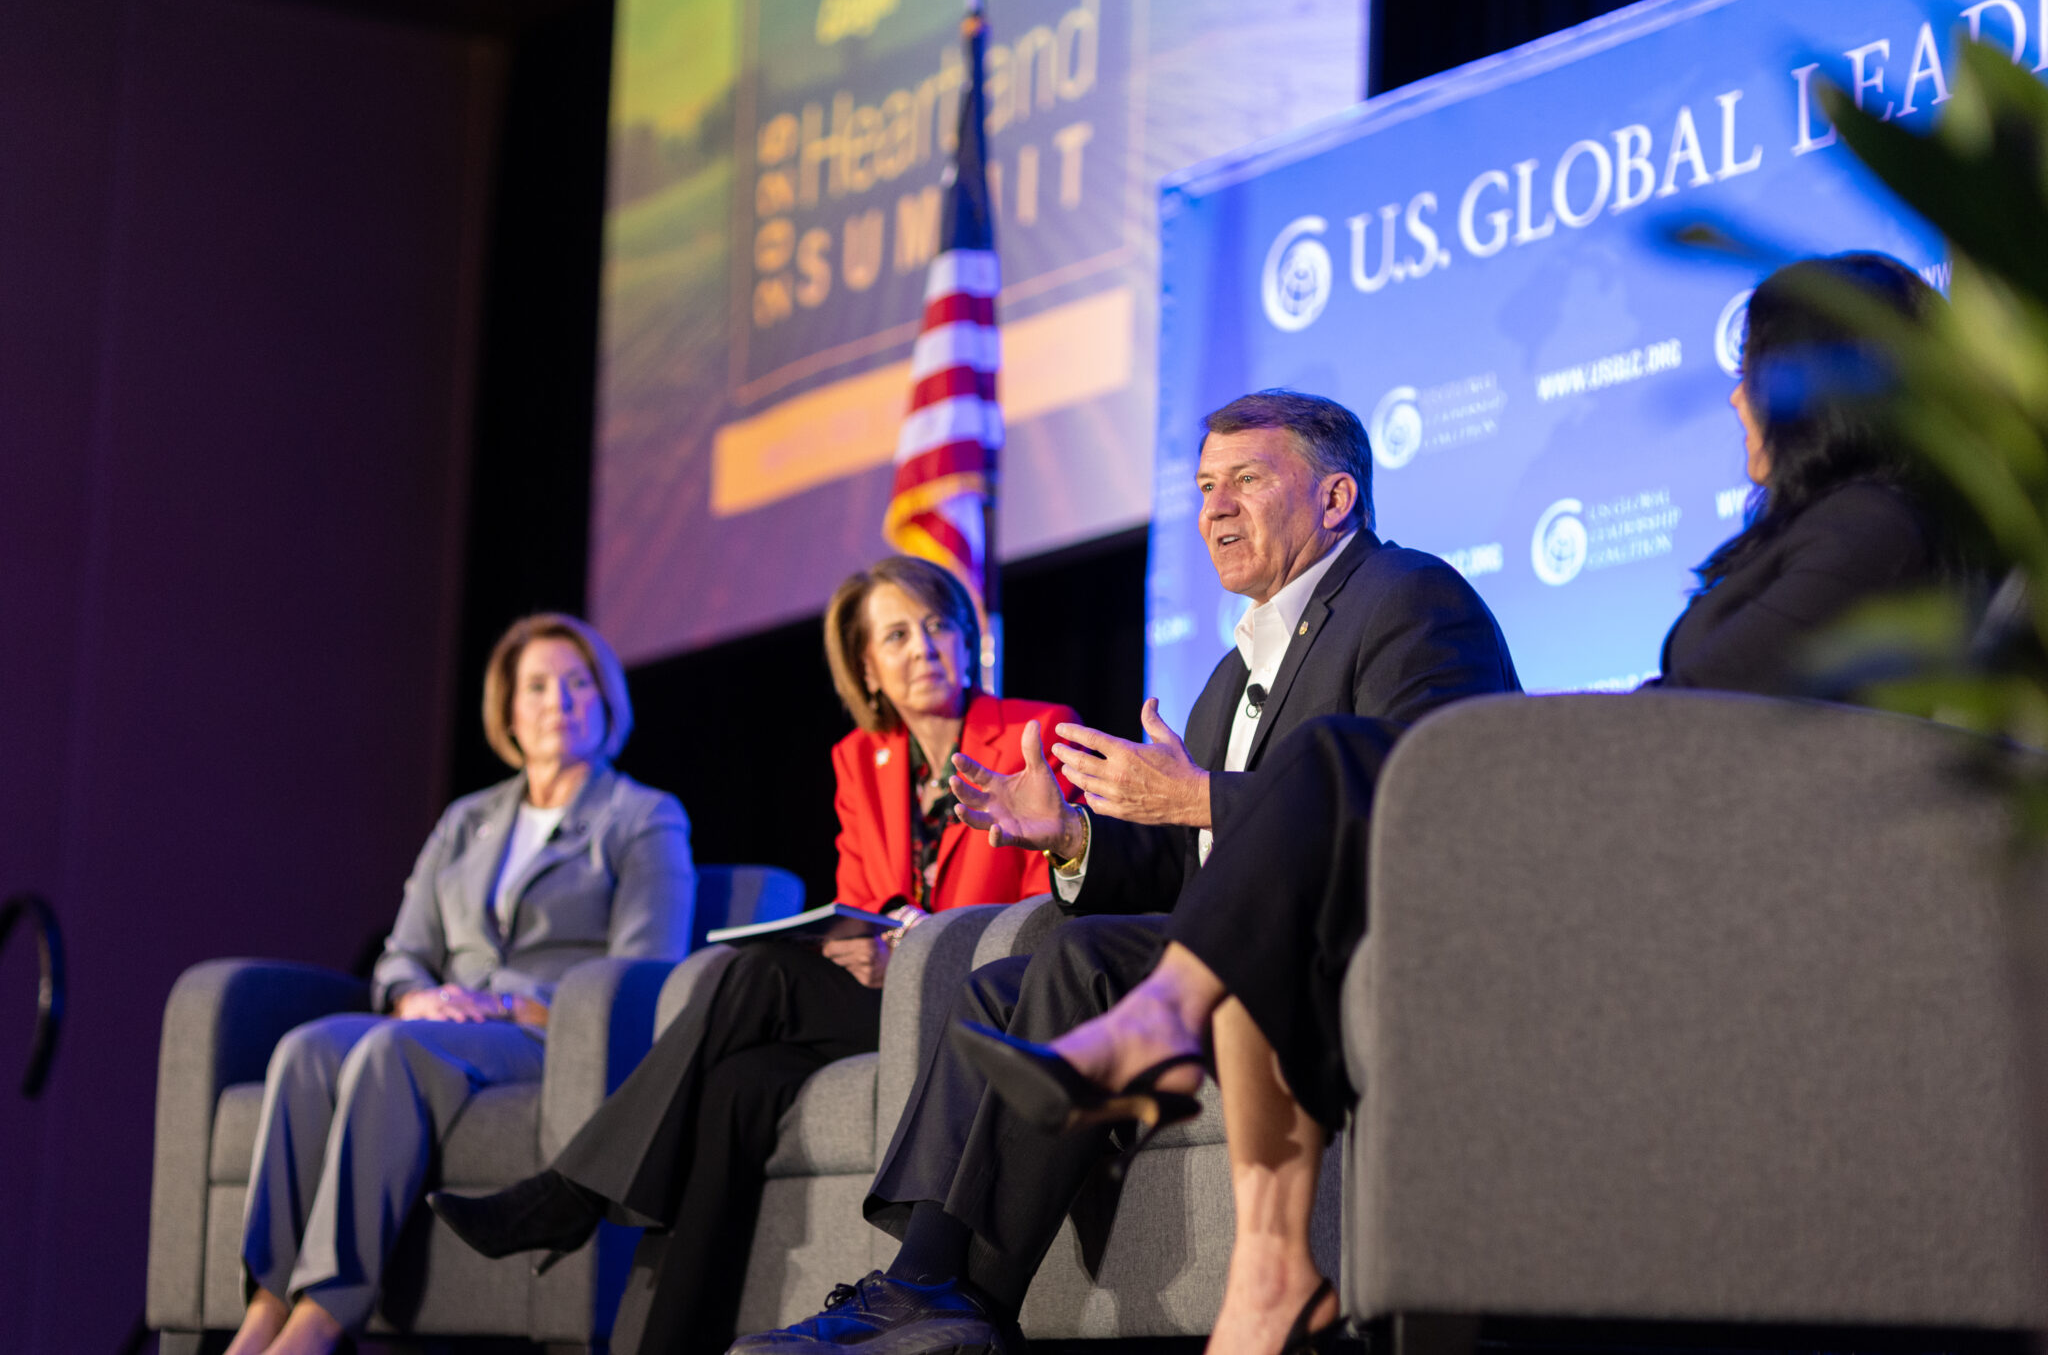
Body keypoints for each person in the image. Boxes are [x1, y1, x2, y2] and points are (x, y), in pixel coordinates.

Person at [961, 252, 1973, 1354]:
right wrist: (1085, 830)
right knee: (1311, 800)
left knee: (1338, 762)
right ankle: (1243, 1249)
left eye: (1754, 371)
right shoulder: (1819, 532)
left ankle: (1191, 1107)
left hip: (1679, 855)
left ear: (1820, 381)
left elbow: (1716, 715)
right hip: (1652, 823)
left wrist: (1548, 759)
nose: (1735, 398)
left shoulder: (1877, 526)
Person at [732, 389, 1519, 1355]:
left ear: (1335, 497)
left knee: (1081, 962)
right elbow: (1190, 860)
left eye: (1246, 480)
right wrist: (1071, 835)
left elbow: (1427, 787)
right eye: (1204, 487)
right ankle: (926, 1284)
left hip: (1353, 936)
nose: (1215, 509)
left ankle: (950, 1298)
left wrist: (1199, 796)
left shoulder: (1408, 596)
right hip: (1240, 938)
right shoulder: (1233, 671)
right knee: (995, 988)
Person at [429, 556, 1080, 1355]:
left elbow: (1050, 903)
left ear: (966, 638)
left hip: (976, 995)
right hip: (885, 993)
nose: (923, 647)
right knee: (738, 1084)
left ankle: (569, 1193)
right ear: (867, 667)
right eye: (897, 635)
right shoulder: (860, 759)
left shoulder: (1033, 732)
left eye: (938, 625)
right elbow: (861, 895)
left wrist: (919, 944)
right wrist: (871, 939)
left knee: (757, 973)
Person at [224, 614, 695, 1355]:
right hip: (443, 1023)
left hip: (548, 1034)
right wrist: (413, 997)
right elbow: (404, 951)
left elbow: (644, 976)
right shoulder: (466, 820)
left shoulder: (642, 817)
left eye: (578, 684)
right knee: (306, 1050)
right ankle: (264, 1307)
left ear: (607, 702)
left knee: (390, 1054)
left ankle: (320, 1320)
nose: (558, 701)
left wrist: (504, 1005)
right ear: (508, 710)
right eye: (536, 686)